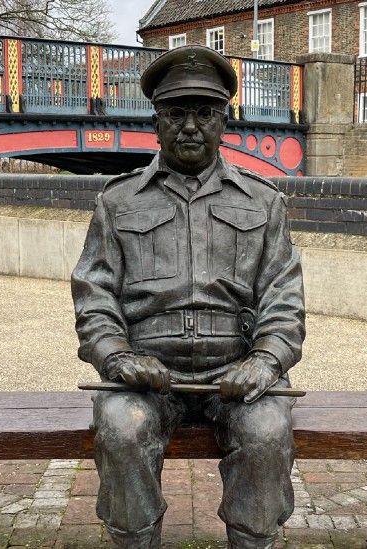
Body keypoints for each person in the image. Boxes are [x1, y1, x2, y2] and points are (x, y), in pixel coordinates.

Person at [71, 45, 305, 549]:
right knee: (122, 428)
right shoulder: (118, 201)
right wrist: (116, 357)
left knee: (265, 434)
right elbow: (95, 297)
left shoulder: (264, 203)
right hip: (147, 375)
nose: (191, 126)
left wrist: (267, 360)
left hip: (236, 370)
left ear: (224, 121)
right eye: (176, 114)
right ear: (156, 122)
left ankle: (253, 541)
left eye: (205, 113)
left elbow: (284, 299)